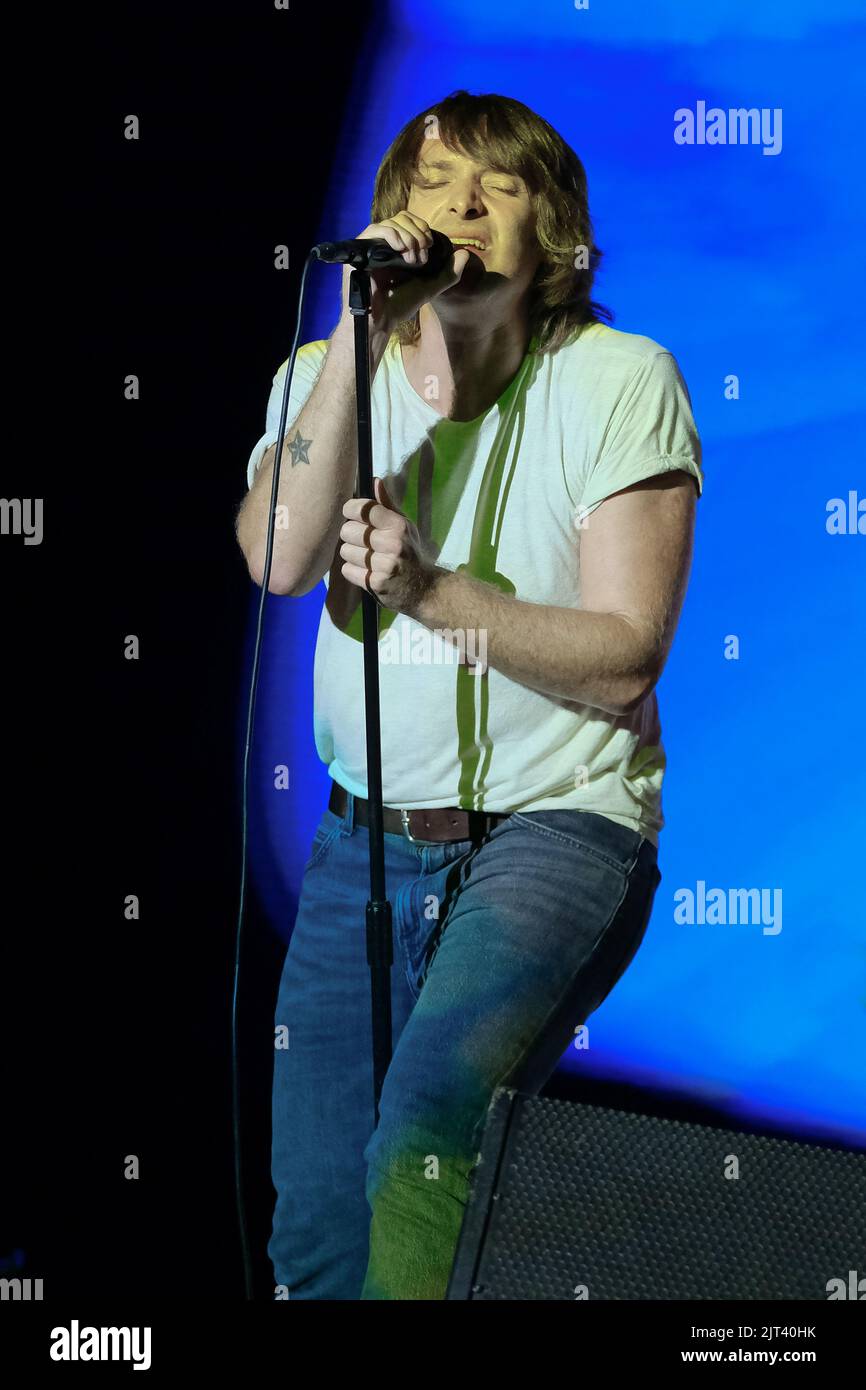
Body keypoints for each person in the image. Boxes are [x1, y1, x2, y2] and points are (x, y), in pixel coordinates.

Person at [235, 89, 703, 1300]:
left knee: (425, 1138)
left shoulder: (617, 378)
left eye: (498, 185)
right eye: (432, 185)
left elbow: (625, 653)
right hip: (364, 845)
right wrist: (354, 338)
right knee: (323, 1229)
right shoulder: (324, 372)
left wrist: (432, 591)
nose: (459, 206)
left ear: (556, 233)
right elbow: (279, 557)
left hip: (558, 826)